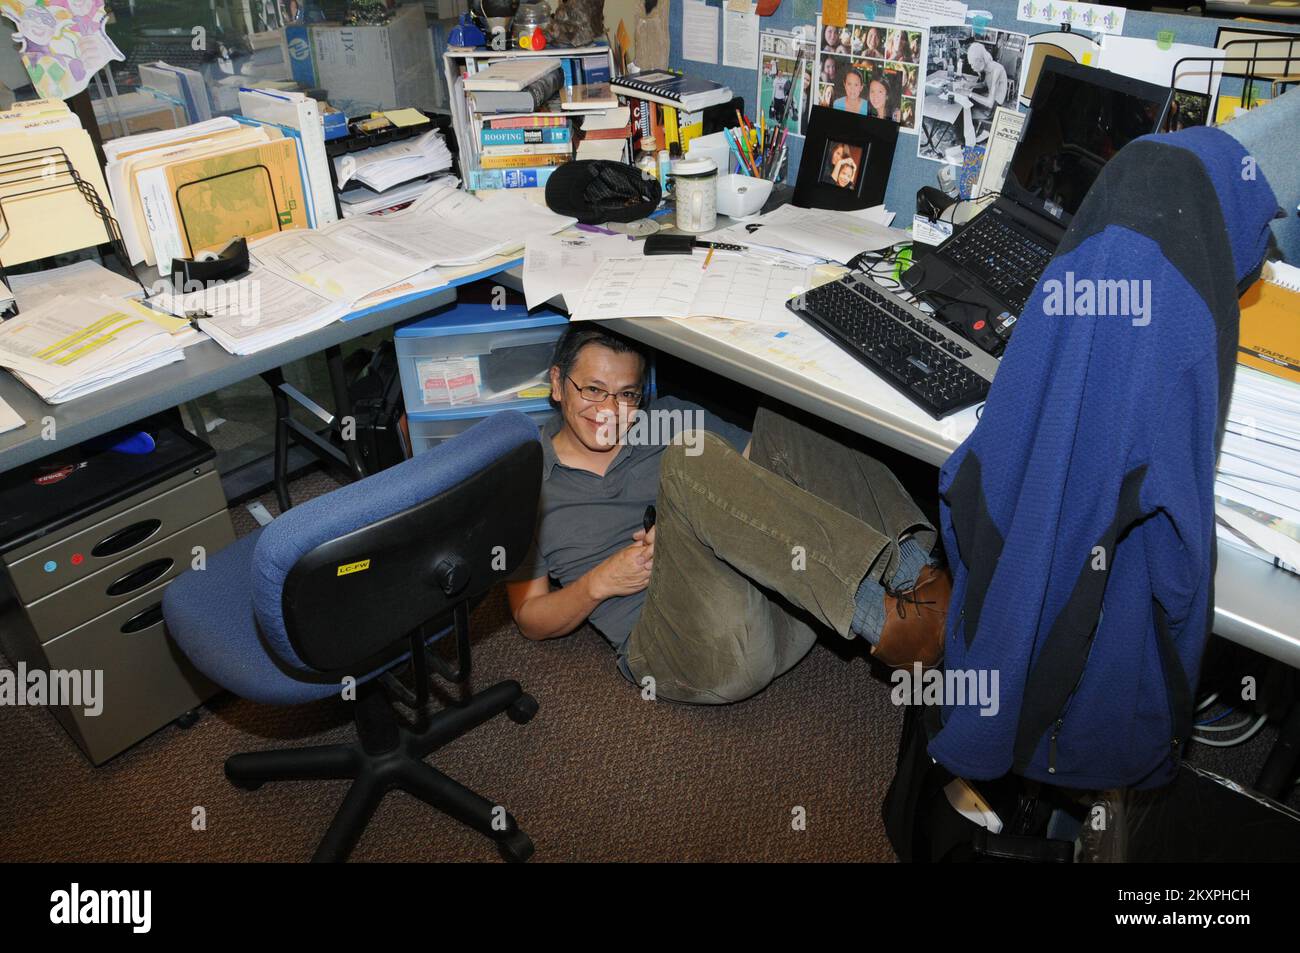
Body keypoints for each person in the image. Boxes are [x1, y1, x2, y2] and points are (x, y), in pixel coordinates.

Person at [506, 328, 950, 705]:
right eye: (593, 390)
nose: (610, 411)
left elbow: (771, 468)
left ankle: (919, 582)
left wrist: (694, 522)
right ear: (557, 383)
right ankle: (882, 621)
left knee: (789, 412)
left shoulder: (666, 417)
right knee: (689, 461)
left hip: (792, 607)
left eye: (626, 395)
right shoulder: (525, 482)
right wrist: (600, 582)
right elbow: (530, 618)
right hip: (700, 656)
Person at [965, 41, 1008, 109]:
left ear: (980, 60)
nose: (972, 67)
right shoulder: (988, 67)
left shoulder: (997, 70)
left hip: (993, 108)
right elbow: (984, 84)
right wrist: (971, 84)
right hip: (990, 100)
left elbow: (990, 103)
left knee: (966, 107)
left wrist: (969, 93)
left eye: (972, 64)